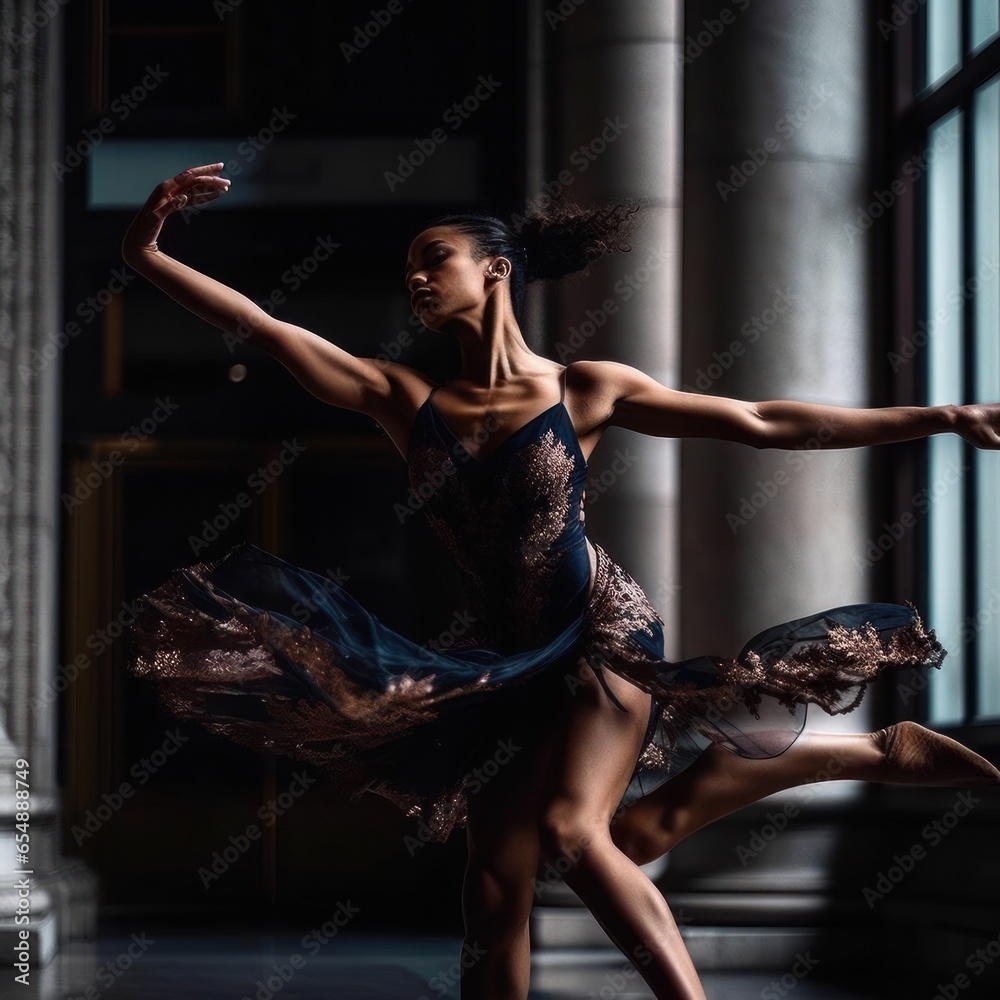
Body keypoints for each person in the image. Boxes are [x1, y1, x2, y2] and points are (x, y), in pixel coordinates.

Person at [123, 163, 1000, 1000]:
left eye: (437, 259)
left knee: (572, 836)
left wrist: (945, 415)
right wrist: (149, 254)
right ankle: (806, 764)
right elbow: (268, 331)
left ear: (495, 269)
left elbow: (765, 420)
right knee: (499, 881)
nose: (418, 280)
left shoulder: (585, 388)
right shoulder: (401, 398)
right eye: (411, 268)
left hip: (599, 632)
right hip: (508, 657)